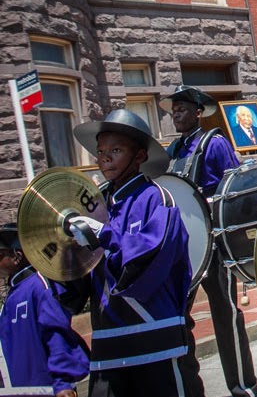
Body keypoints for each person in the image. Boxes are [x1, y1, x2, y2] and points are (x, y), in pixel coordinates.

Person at [67, 109, 198, 396]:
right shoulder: (96, 204)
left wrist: (104, 236)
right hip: (107, 345)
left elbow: (153, 256)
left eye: (116, 150)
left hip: (156, 343)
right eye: (100, 151)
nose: (105, 158)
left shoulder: (157, 198)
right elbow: (81, 274)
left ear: (139, 156)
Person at [160, 85, 257, 397]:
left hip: (213, 244)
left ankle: (243, 386)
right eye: (173, 109)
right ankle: (190, 389)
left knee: (225, 312)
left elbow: (236, 185)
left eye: (183, 108)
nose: (176, 113)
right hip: (184, 247)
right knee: (177, 318)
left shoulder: (214, 143)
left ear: (199, 112)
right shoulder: (173, 151)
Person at [0, 223, 89, 397]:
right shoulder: (13, 296)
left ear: (17, 256)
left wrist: (62, 383)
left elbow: (55, 331)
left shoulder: (39, 286)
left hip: (47, 391)